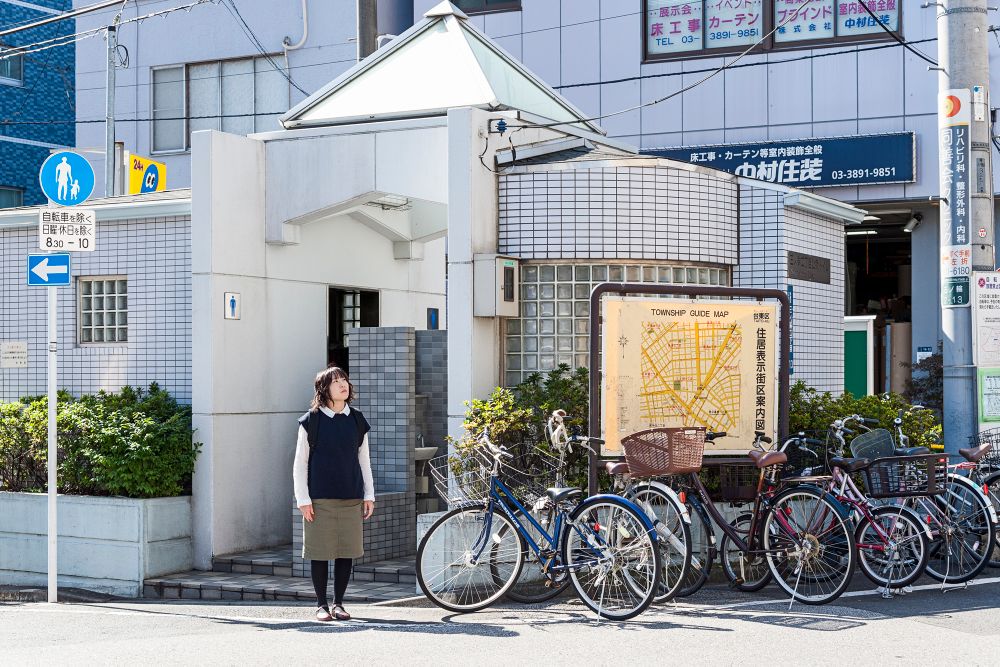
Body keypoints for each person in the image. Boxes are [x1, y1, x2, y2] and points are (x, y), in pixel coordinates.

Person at [292, 366, 375, 622]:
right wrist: (303, 499)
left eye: (344, 380)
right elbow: (299, 463)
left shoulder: (357, 419)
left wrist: (369, 494)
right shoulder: (311, 421)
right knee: (319, 552)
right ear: (323, 389)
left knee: (345, 552)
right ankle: (321, 605)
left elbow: (364, 460)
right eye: (336, 381)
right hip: (319, 499)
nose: (343, 385)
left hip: (351, 496)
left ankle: (339, 604)